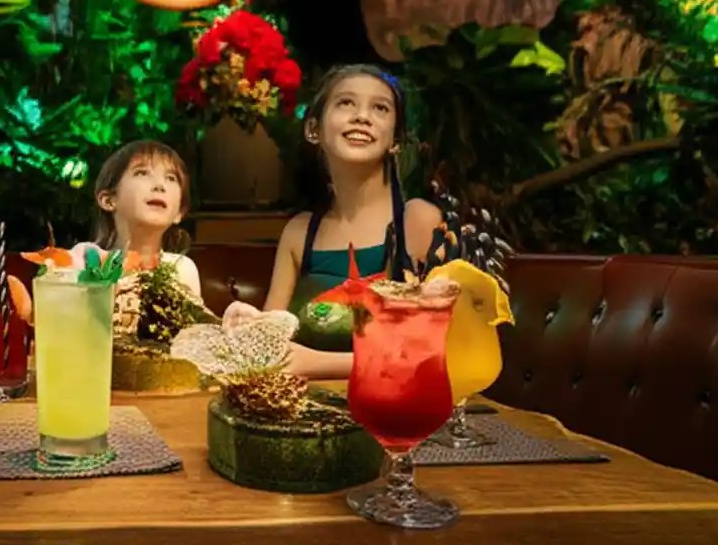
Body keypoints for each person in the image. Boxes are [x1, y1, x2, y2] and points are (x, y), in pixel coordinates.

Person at [225, 64, 443, 379]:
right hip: (303, 413)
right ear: (313, 129)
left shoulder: (418, 220)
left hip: (392, 417)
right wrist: (247, 323)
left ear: (395, 138)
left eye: (380, 108)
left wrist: (311, 364)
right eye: (346, 103)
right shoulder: (300, 232)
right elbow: (272, 340)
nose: (362, 116)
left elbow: (431, 354)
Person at [72, 140, 201, 296]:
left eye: (171, 178)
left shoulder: (182, 269)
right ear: (109, 200)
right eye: (142, 173)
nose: (160, 185)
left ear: (179, 212)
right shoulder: (84, 258)